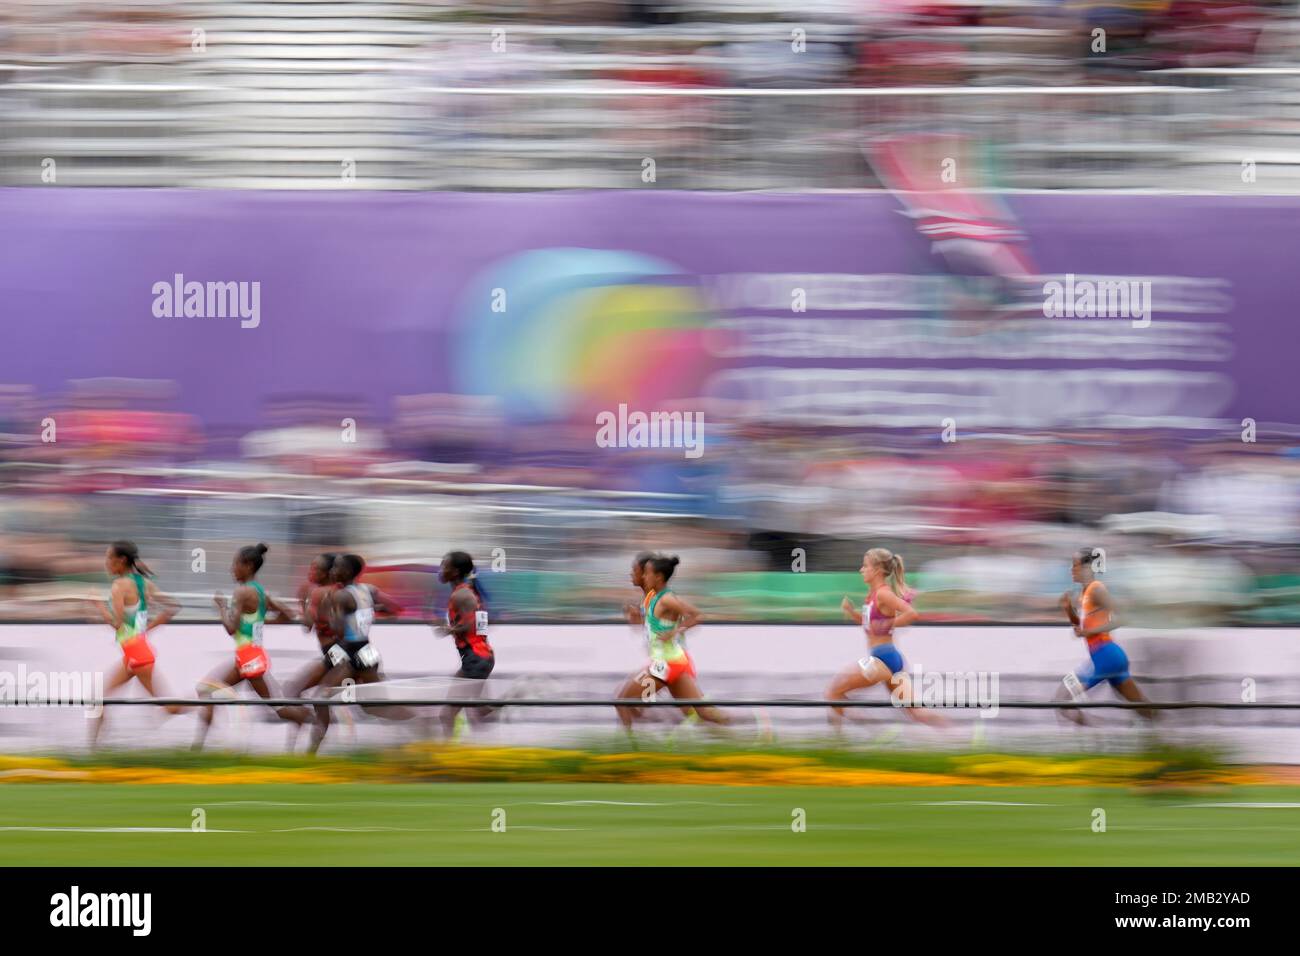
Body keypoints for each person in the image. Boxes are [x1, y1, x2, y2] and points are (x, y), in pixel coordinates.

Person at [193, 544, 310, 750]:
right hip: (248, 656)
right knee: (209, 691)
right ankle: (198, 748)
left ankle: (309, 719)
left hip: (249, 659)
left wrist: (221, 607)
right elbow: (287, 615)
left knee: (275, 707)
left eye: (235, 564)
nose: (232, 569)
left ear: (247, 566)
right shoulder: (260, 592)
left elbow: (231, 628)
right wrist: (259, 623)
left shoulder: (242, 592)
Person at [826, 548, 944, 731]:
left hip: (880, 660)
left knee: (833, 692)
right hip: (890, 660)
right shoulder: (872, 596)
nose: (861, 570)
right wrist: (851, 613)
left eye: (865, 566)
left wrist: (889, 624)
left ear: (878, 570)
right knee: (915, 711)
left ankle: (858, 737)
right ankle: (960, 736)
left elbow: (911, 614)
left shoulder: (883, 594)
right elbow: (870, 626)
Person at [85, 540, 185, 747]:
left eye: (109, 558)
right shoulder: (143, 583)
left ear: (121, 561)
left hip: (138, 657)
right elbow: (173, 606)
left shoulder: (119, 586)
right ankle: (92, 750)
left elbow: (117, 624)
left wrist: (98, 605)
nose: (106, 563)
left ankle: (204, 705)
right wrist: (145, 630)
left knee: (168, 707)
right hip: (135, 653)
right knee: (99, 700)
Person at [1056, 547, 1154, 724]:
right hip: (1109, 658)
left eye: (1075, 565)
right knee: (1142, 708)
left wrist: (1090, 631)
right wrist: (1068, 609)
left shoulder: (1096, 590)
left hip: (1105, 656)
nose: (1071, 570)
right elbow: (1080, 627)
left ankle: (1104, 733)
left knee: (1062, 701)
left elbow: (1123, 617)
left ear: (1087, 568)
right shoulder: (1083, 594)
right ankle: (1170, 732)